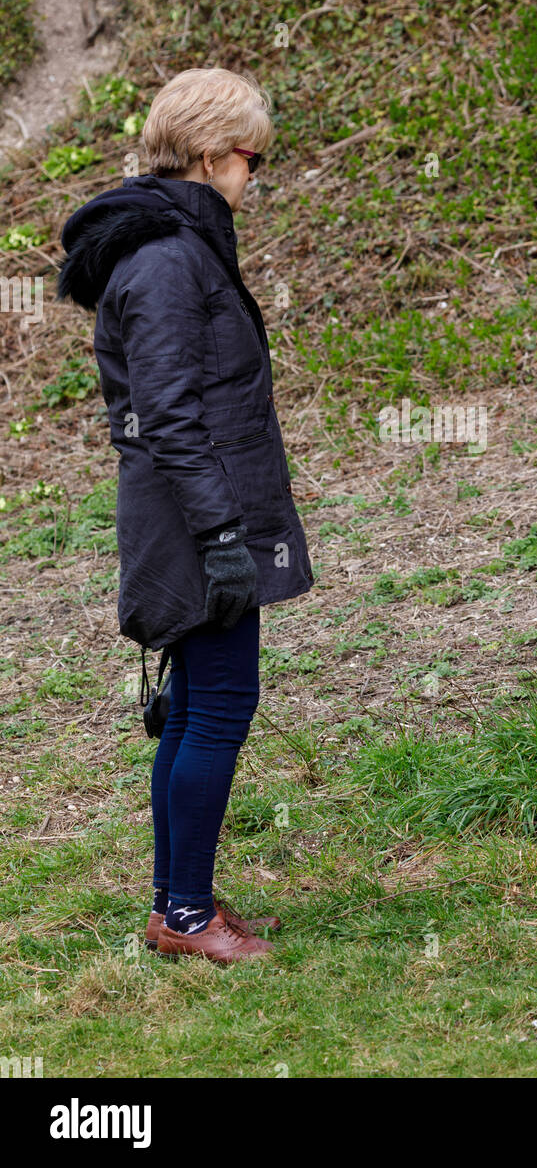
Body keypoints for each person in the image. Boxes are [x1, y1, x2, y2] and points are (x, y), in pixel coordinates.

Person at [57, 66, 314, 964]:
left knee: (195, 705)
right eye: (253, 160)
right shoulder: (167, 259)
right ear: (210, 156)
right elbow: (166, 414)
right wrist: (221, 537)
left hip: (194, 511)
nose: (256, 176)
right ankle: (189, 916)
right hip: (193, 519)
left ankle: (180, 903)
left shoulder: (177, 241)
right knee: (217, 707)